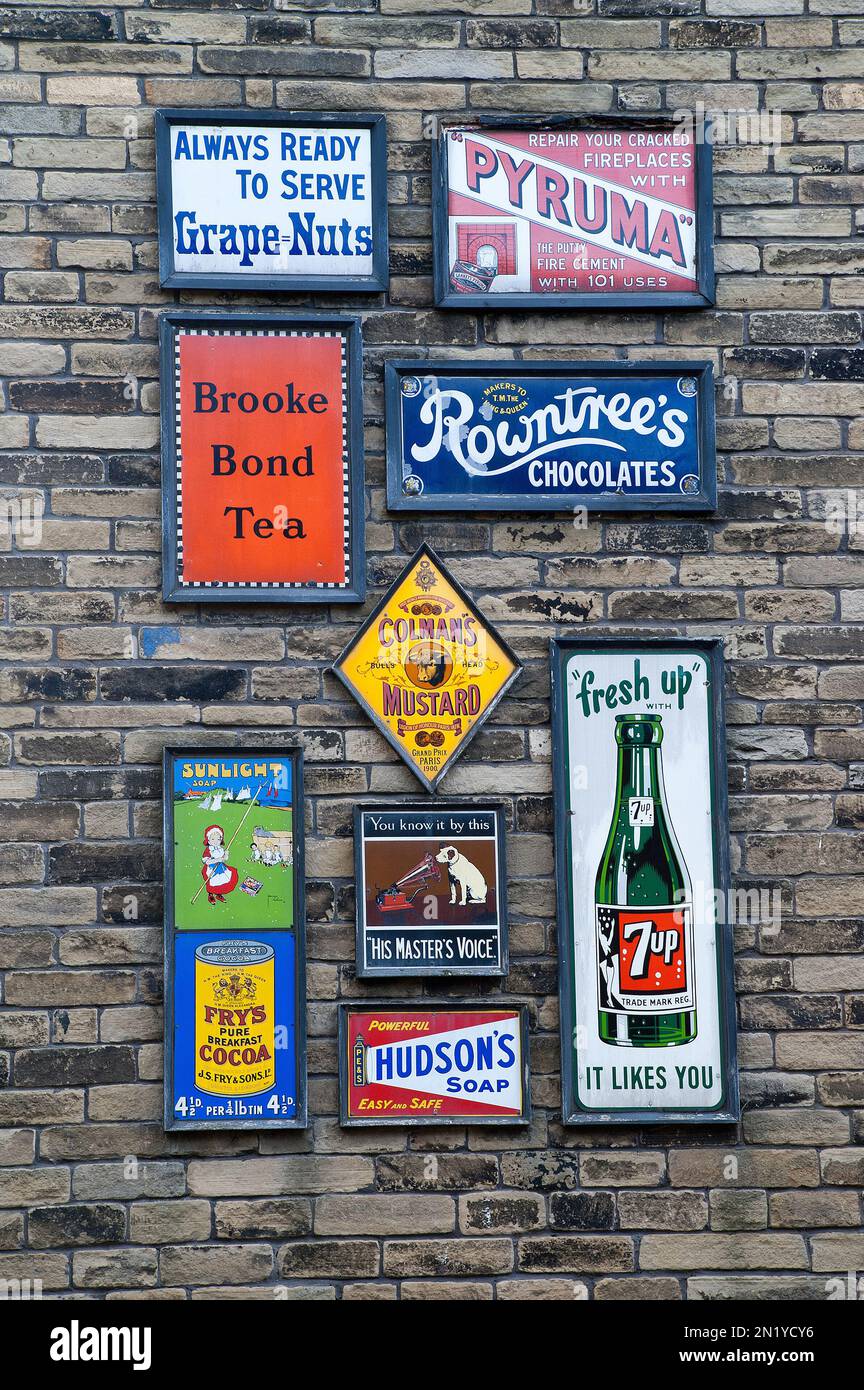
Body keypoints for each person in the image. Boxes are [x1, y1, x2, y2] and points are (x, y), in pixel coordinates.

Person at [201, 824, 238, 905]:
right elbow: (206, 861)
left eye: (218, 839)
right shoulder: (209, 850)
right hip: (211, 869)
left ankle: (218, 894)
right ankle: (210, 894)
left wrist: (226, 855)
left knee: (221, 881)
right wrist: (217, 860)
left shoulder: (220, 849)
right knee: (213, 881)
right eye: (213, 839)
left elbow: (224, 859)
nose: (215, 841)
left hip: (221, 868)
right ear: (208, 840)